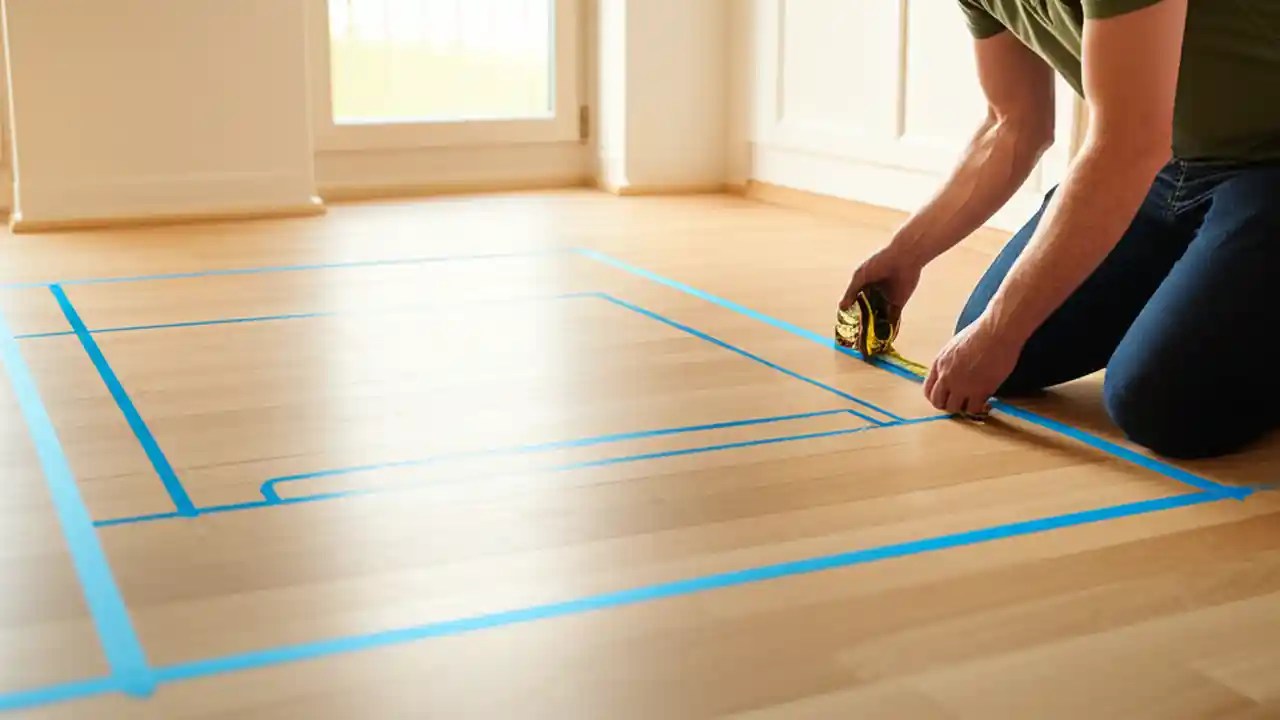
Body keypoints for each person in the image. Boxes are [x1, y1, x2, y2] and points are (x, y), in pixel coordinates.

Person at [840, 0, 1280, 460]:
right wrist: (907, 252)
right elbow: (1012, 124)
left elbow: (1127, 144)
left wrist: (999, 331)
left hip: (1267, 169)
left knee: (1164, 403)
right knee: (1005, 352)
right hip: (1169, 168)